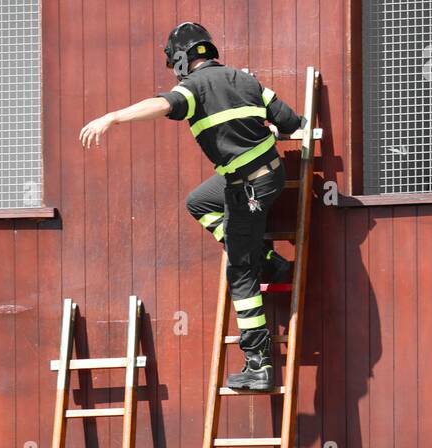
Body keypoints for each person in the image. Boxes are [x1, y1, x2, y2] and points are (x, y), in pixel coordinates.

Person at [79, 22, 304, 393]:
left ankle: (258, 364)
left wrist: (113, 117)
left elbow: (162, 104)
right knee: (199, 202)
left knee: (240, 271)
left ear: (182, 59)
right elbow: (292, 123)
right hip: (265, 175)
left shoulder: (193, 88)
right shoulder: (246, 80)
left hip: (247, 187)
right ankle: (269, 260)